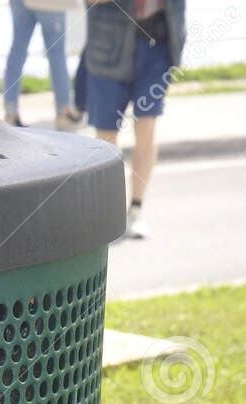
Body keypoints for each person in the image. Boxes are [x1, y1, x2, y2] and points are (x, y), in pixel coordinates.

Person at [85, 0, 186, 238]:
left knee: (147, 126)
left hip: (158, 43)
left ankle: (137, 209)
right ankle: (109, 213)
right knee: (106, 136)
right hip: (108, 47)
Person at [3, 0, 85, 130]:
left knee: (17, 50)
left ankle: (10, 112)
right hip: (48, 4)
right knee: (56, 53)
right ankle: (63, 111)